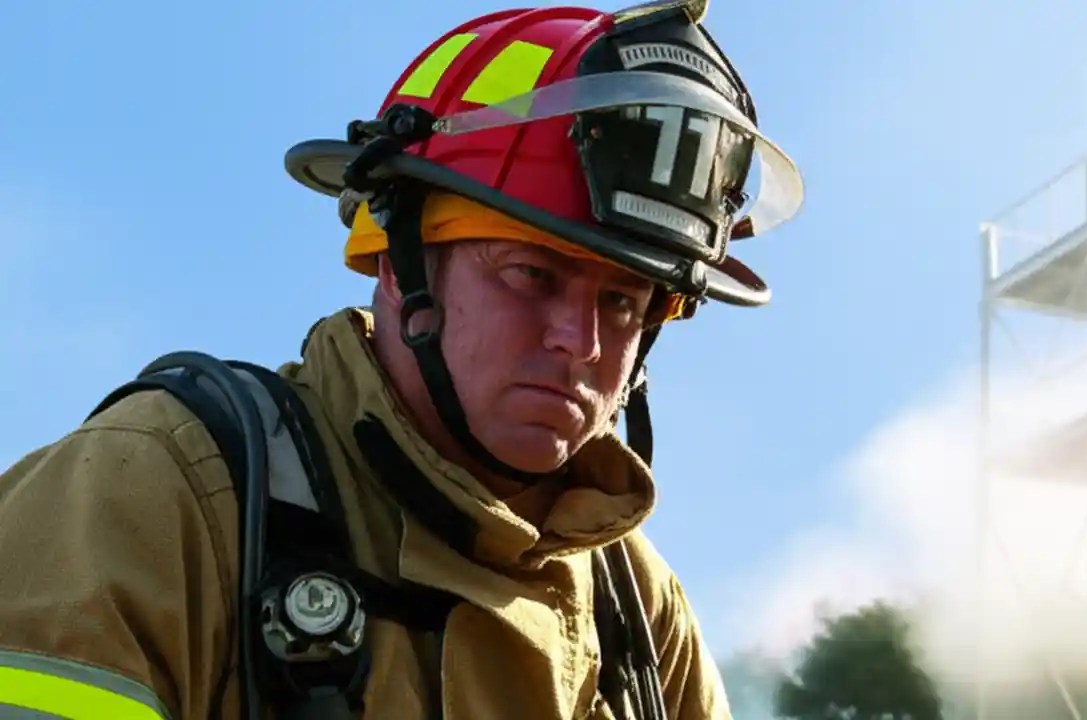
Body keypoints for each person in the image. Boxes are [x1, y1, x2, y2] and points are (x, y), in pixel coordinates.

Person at [0, 1, 804, 718]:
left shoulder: (635, 613)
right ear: (399, 260)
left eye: (622, 302)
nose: (579, 341)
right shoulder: (158, 494)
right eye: (534, 275)